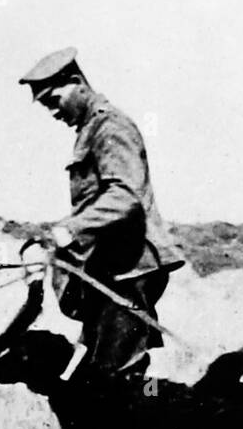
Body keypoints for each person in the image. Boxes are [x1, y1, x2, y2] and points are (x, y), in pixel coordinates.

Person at [18, 47, 184, 377]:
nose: (52, 112)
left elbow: (125, 196)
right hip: (112, 271)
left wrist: (71, 228)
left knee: (115, 379)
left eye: (54, 99)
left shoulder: (110, 127)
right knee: (105, 372)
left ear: (77, 83)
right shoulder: (90, 131)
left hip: (130, 271)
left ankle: (150, 416)